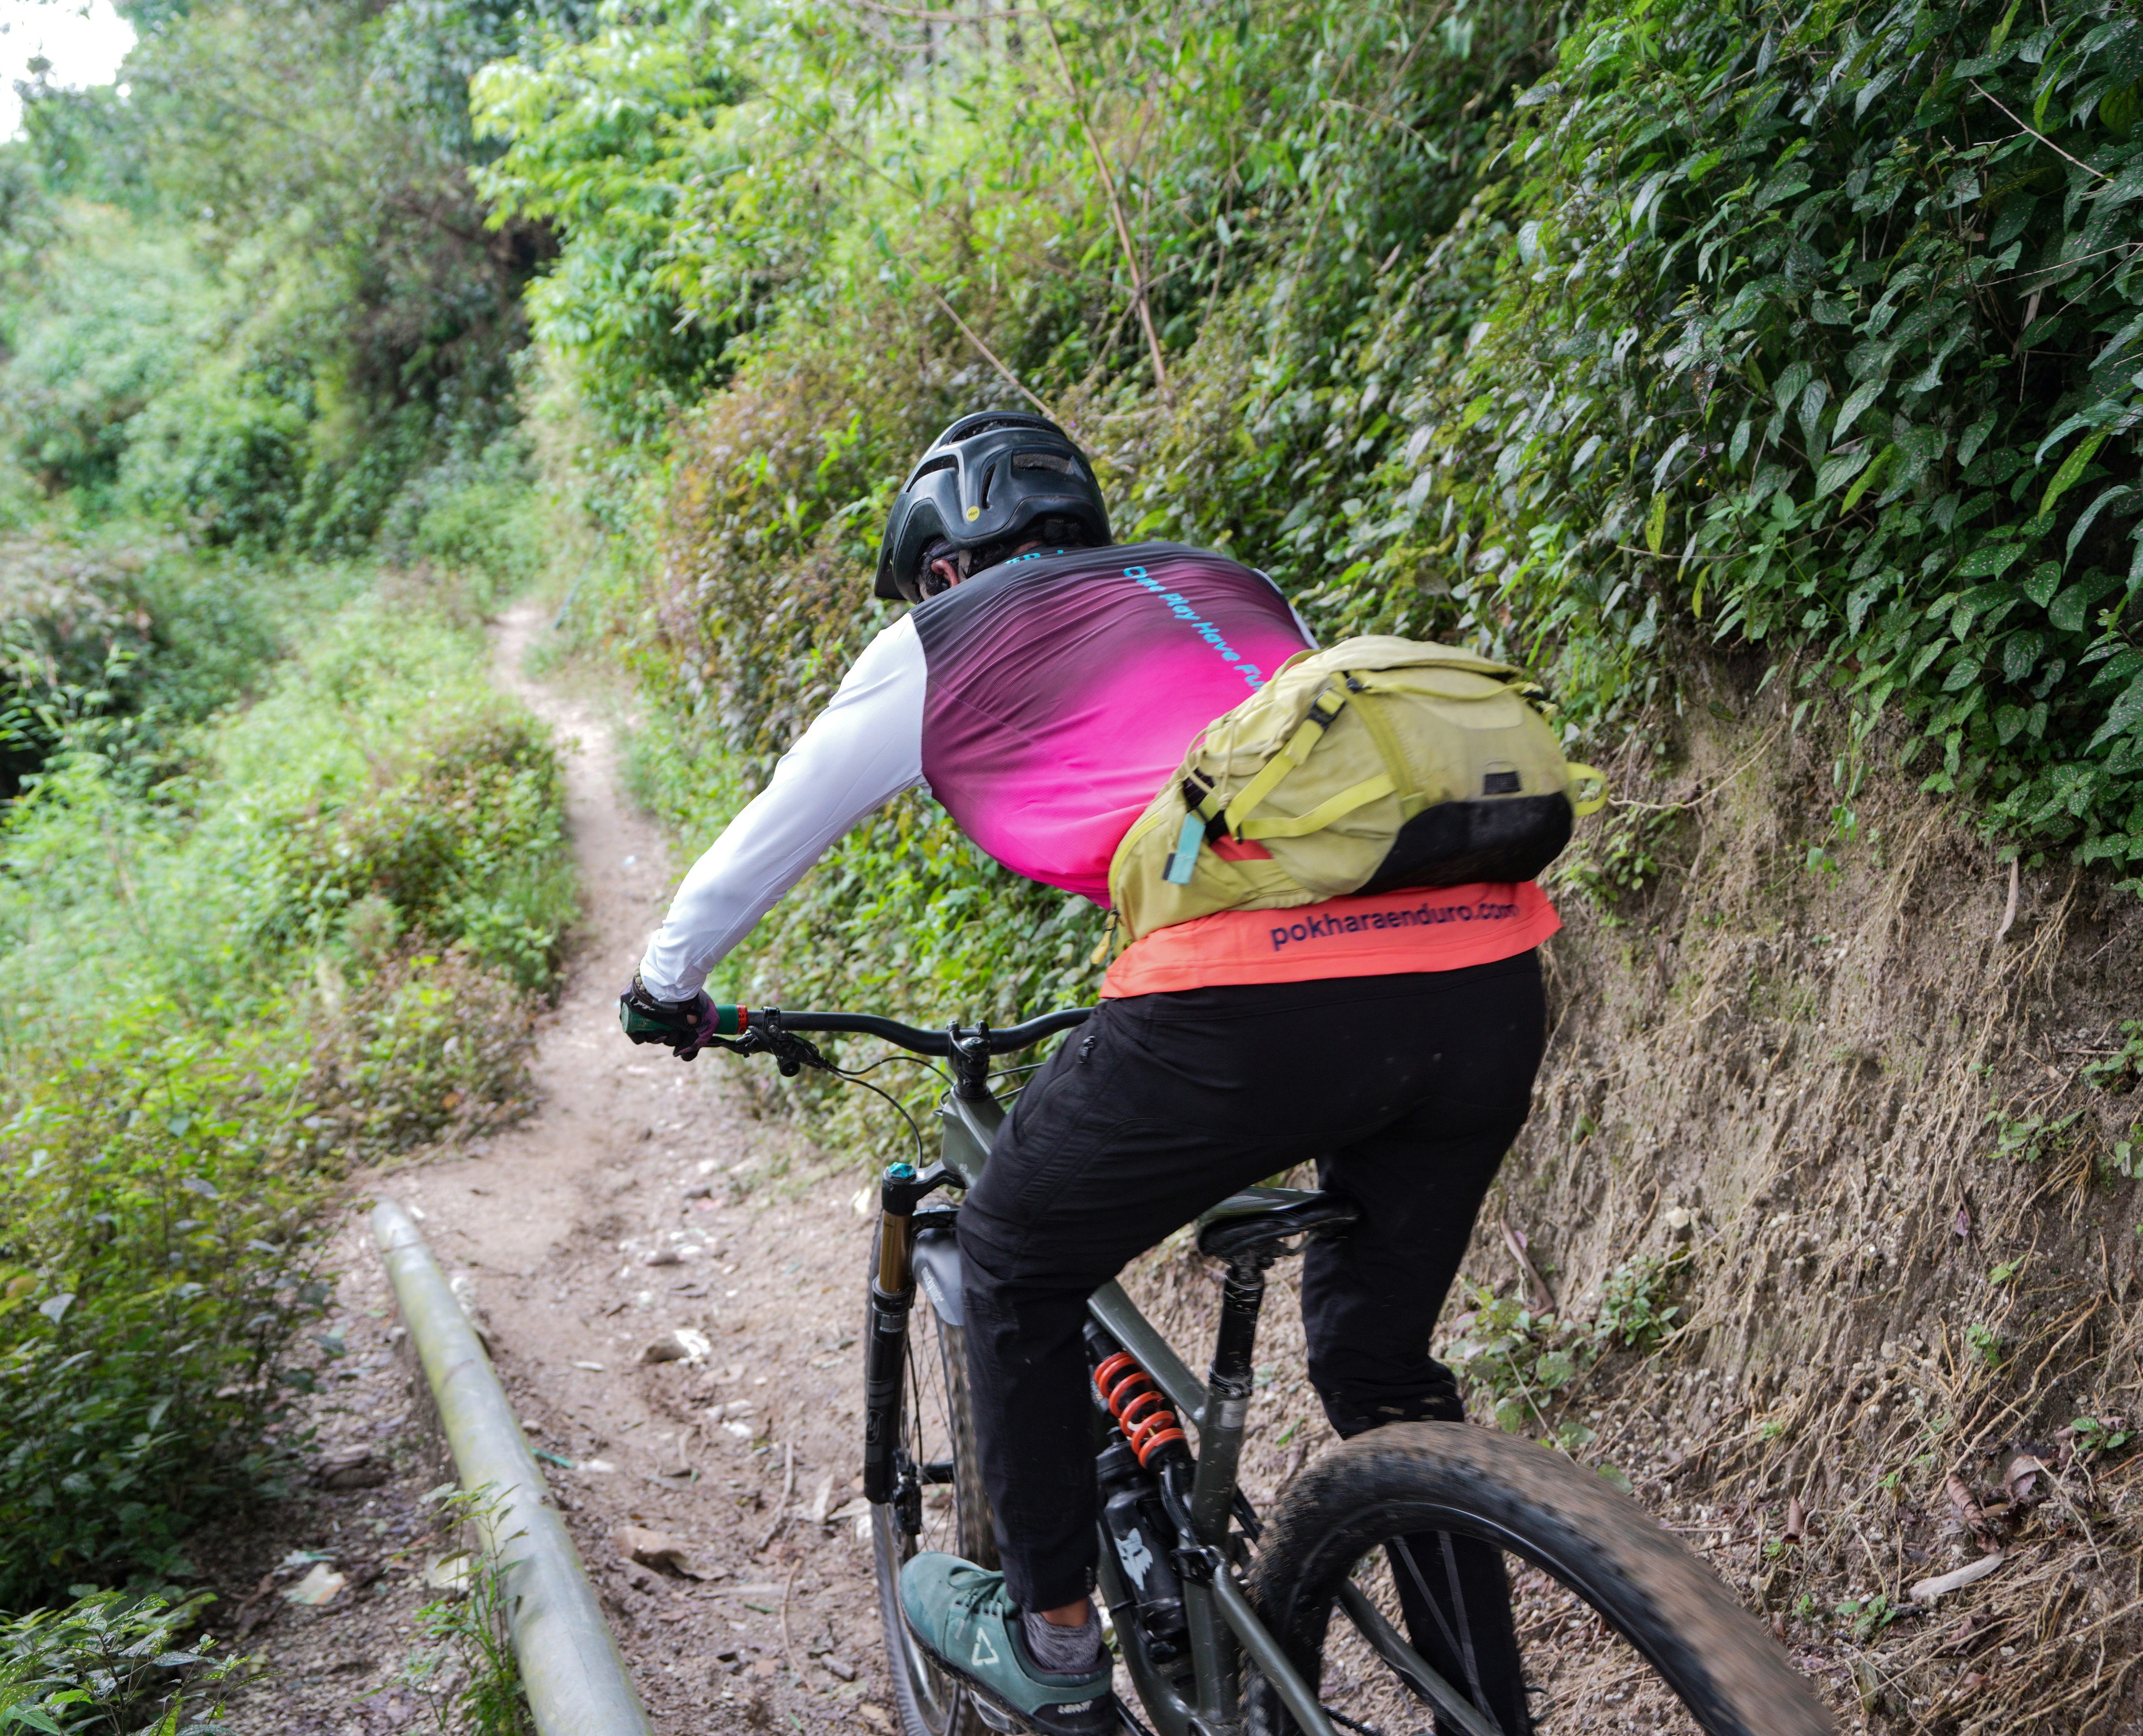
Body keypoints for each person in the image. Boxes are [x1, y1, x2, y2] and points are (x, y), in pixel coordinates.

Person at [620, 410, 1555, 1736]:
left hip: (1249, 1003)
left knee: (1010, 1253)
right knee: (1378, 1364)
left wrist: (666, 988)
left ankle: (1054, 1644)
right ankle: (1485, 1713)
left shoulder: (938, 643)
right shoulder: (1226, 584)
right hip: (1488, 975)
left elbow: (774, 831)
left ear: (943, 569)